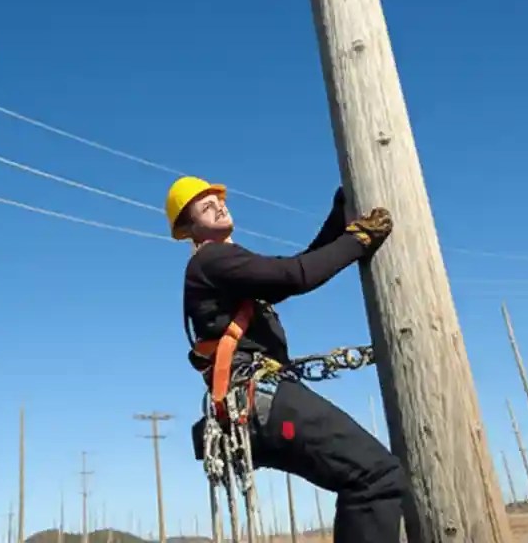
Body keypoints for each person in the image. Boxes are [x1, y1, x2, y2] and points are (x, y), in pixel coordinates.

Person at [165, 175, 405, 542]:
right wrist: (358, 240)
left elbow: (294, 269)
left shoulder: (223, 269)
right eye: (205, 206)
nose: (218, 204)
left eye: (218, 198)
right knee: (376, 476)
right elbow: (294, 276)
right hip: (258, 396)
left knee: (366, 478)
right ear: (188, 227)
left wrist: (339, 219)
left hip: (256, 403)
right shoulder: (212, 259)